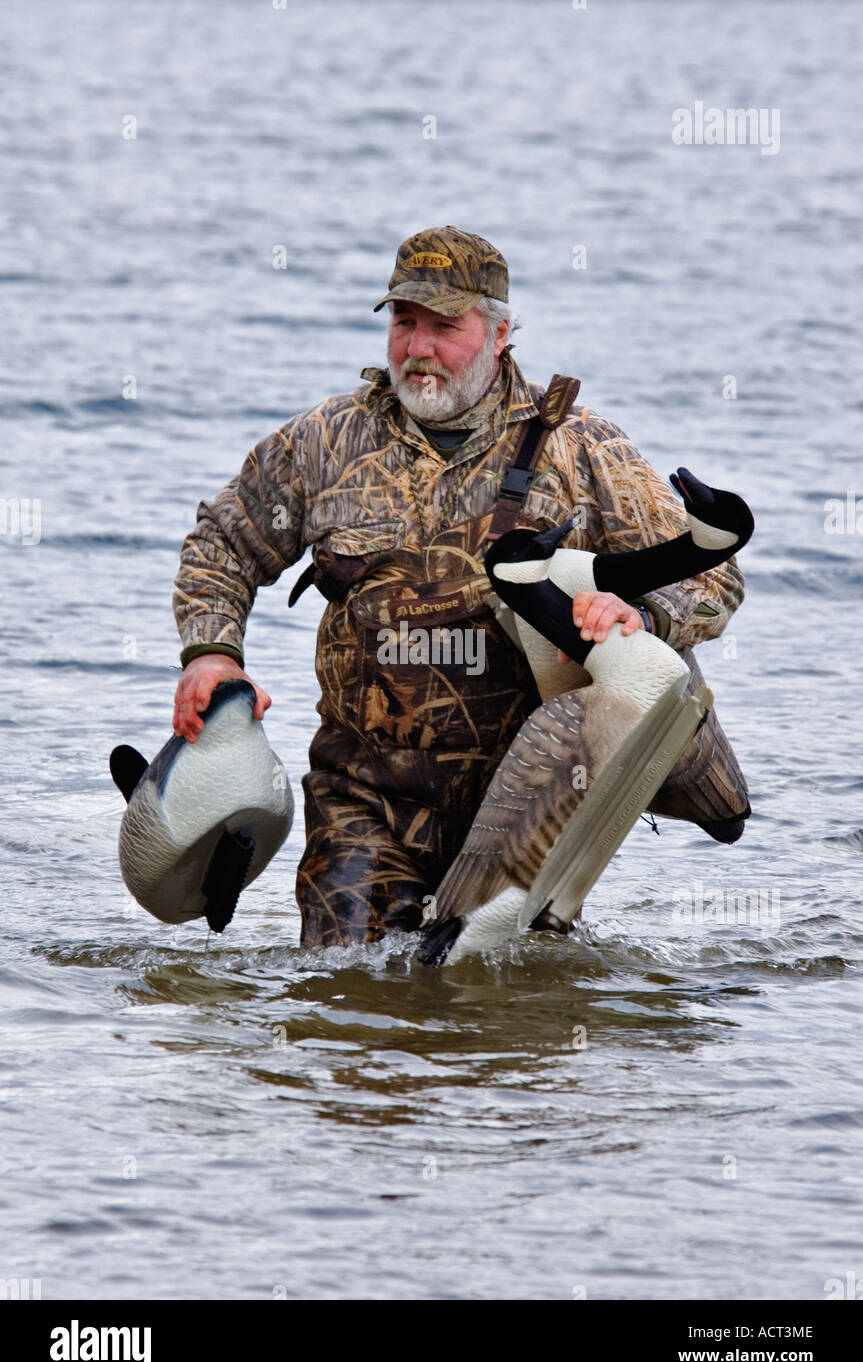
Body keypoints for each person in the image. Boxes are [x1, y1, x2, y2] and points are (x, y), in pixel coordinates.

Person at [172, 225, 750, 947]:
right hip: (364, 800)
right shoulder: (323, 442)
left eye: (444, 327)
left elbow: (714, 575)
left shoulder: (580, 446)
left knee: (502, 1014)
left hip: (532, 798)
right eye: (403, 322)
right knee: (347, 999)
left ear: (500, 332)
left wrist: (640, 615)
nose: (417, 348)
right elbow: (222, 545)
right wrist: (211, 655)